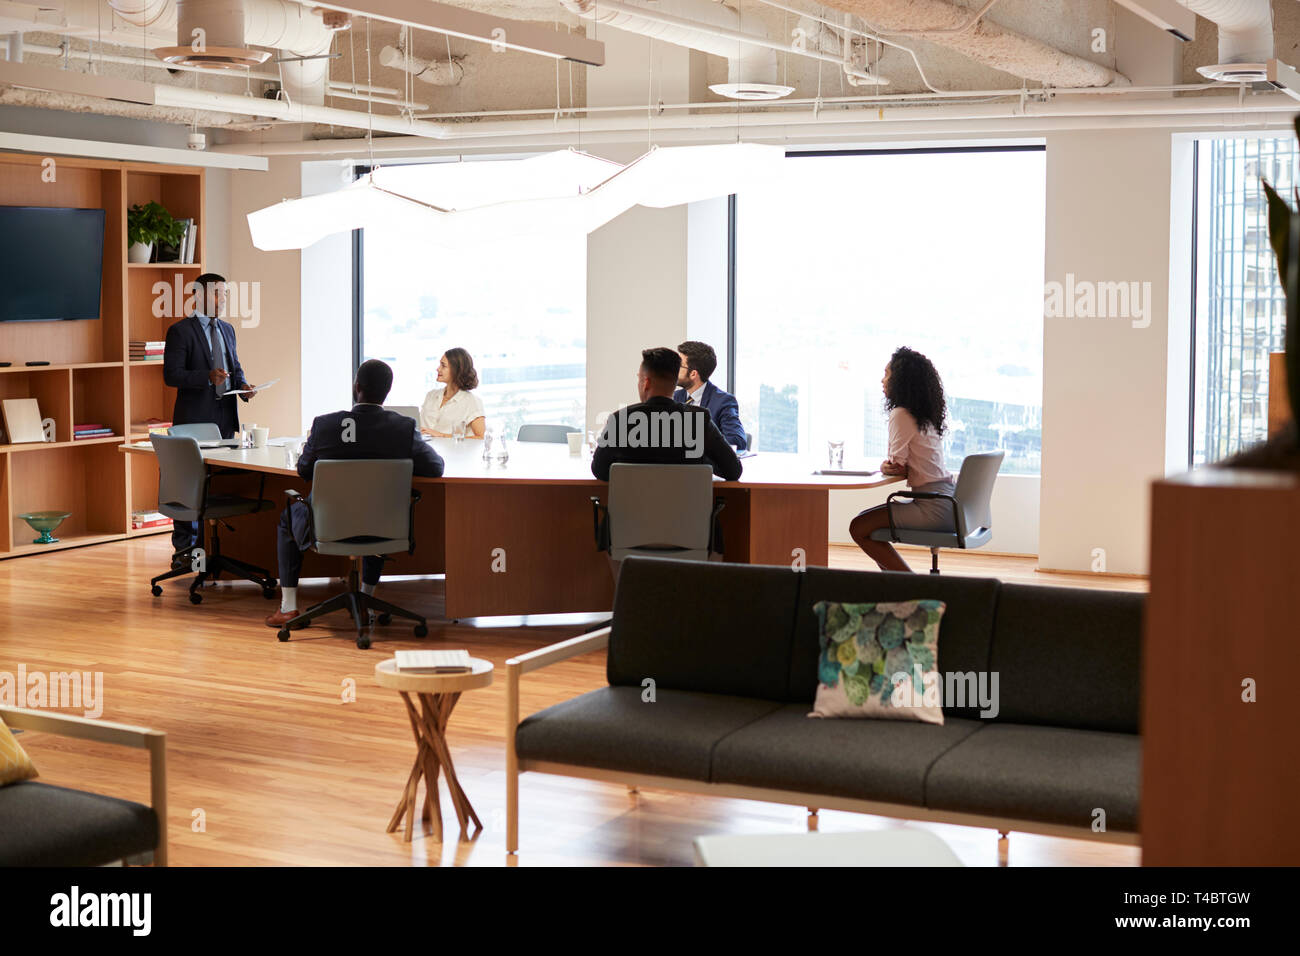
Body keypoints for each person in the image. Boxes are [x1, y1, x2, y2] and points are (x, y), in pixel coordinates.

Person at [265, 359, 445, 628]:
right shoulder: (403, 428)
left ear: (356, 387)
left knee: (288, 517)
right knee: (377, 507)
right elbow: (435, 467)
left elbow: (304, 469)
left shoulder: (325, 425)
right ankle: (367, 599)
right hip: (384, 527)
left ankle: (288, 608)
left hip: (328, 527)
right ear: (387, 392)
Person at [162, 272, 257, 556]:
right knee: (187, 483)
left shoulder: (228, 329)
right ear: (199, 295)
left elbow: (235, 367)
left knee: (216, 484)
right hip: (194, 420)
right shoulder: (180, 331)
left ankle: (210, 552)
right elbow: (172, 375)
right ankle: (185, 554)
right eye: (217, 294)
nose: (223, 300)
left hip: (224, 416)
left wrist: (243, 386)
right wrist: (207, 377)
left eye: (225, 295)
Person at [848, 347, 956, 572]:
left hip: (932, 507)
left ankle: (910, 585)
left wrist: (884, 466)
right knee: (863, 524)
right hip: (947, 503)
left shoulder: (900, 414)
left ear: (901, 380)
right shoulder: (923, 415)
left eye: (887, 374)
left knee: (858, 527)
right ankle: (899, 584)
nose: (882, 380)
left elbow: (896, 467)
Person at [592, 347, 742, 482]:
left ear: (646, 383)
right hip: (688, 512)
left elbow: (599, 470)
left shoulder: (621, 420)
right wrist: (701, 458)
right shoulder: (699, 420)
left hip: (632, 512)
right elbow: (733, 471)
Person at [673, 340, 748, 450]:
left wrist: (694, 443)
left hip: (705, 466)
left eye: (679, 365)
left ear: (693, 374)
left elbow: (737, 441)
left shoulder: (724, 401)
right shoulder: (674, 397)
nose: (674, 369)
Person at [419, 348, 486, 438]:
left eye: (443, 366)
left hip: (453, 451)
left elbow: (480, 437)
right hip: (424, 450)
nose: (438, 369)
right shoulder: (431, 395)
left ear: (456, 370)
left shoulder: (472, 401)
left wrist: (441, 435)